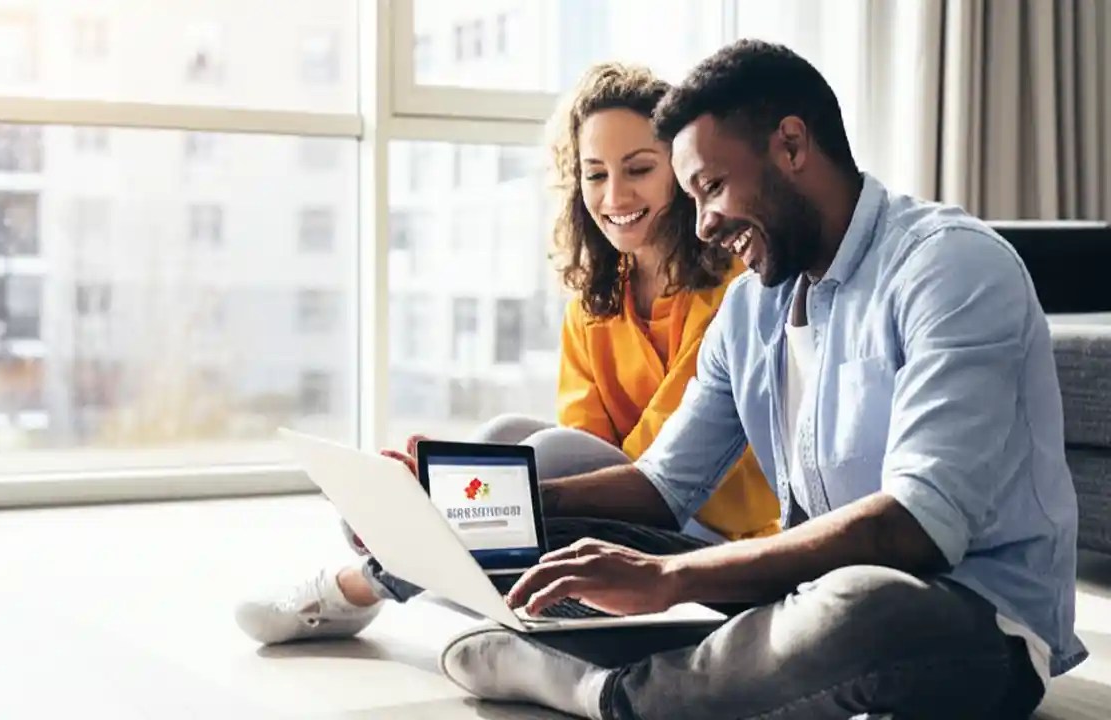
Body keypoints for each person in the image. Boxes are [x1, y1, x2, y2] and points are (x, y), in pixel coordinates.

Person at [436, 40, 1085, 720]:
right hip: (800, 593)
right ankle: (720, 662)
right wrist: (482, 503)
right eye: (692, 197)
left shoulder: (950, 269)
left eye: (711, 188)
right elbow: (663, 485)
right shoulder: (753, 306)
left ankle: (604, 690)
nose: (704, 223)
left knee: (860, 607)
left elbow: (918, 526)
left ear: (792, 146)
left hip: (973, 619)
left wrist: (670, 577)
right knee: (544, 532)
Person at [234, 62, 780, 646]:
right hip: (608, 509)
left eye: (639, 170)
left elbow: (658, 470)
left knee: (529, 457)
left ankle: (359, 586)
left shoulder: (731, 293)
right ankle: (398, 550)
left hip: (706, 532)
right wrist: (467, 481)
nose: (615, 196)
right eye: (595, 175)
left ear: (679, 171)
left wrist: (467, 493)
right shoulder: (598, 299)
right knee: (504, 432)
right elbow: (588, 445)